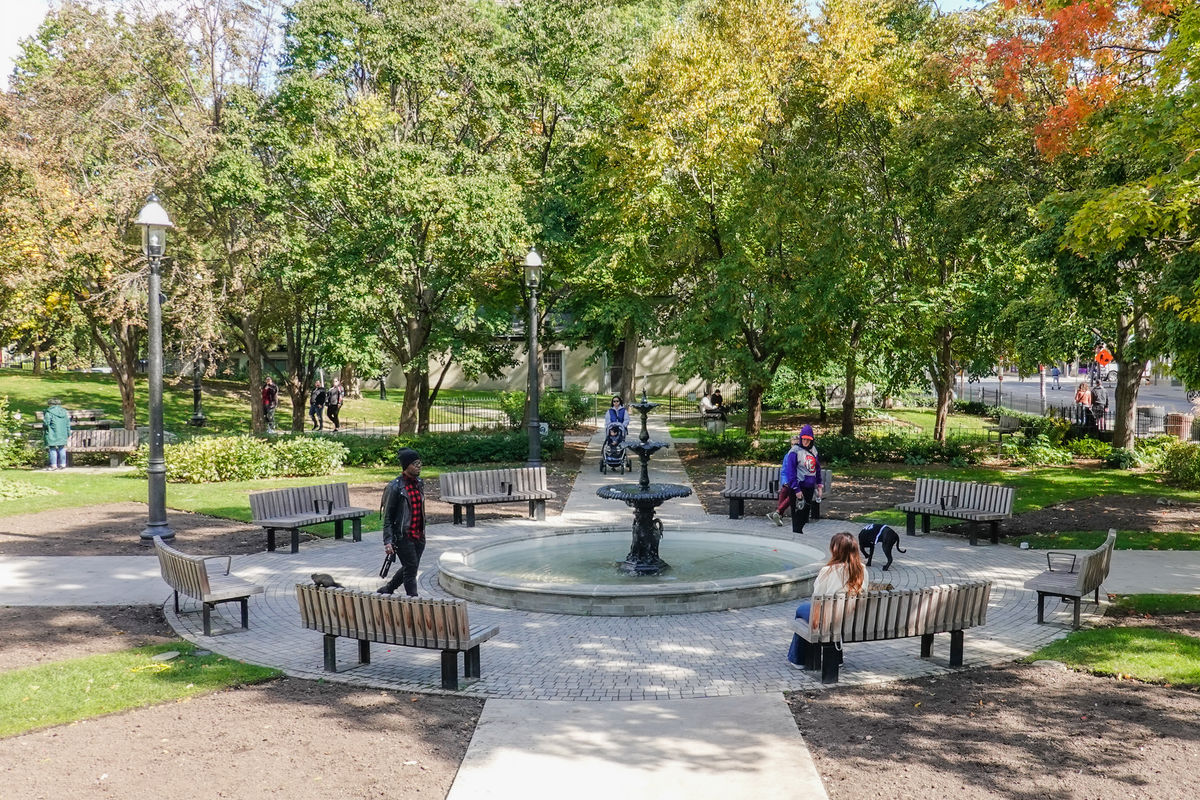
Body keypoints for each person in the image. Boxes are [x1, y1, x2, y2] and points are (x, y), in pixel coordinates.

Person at [787, 531, 866, 667]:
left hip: (828, 618)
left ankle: (798, 659)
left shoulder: (829, 570)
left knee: (802, 611)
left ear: (835, 550)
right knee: (828, 614)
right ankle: (837, 658)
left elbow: (816, 597)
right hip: (853, 619)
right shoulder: (862, 569)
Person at [377, 448, 426, 596]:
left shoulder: (419, 483)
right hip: (403, 536)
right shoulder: (395, 487)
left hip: (419, 535)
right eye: (415, 463)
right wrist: (388, 541)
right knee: (411, 570)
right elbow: (388, 517)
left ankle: (389, 588)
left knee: (410, 566)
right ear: (406, 466)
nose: (419, 466)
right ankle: (414, 602)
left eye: (419, 463)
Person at [778, 424, 822, 534]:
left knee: (805, 513)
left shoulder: (814, 451)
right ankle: (796, 533)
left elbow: (817, 468)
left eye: (808, 439)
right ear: (801, 438)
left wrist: (819, 485)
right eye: (804, 439)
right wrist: (796, 489)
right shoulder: (794, 451)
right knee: (797, 514)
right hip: (798, 487)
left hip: (810, 486)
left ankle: (799, 532)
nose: (806, 441)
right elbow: (790, 472)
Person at [768, 433, 804, 530]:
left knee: (791, 493)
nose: (794, 446)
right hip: (790, 483)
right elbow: (784, 472)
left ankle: (778, 513)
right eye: (792, 444)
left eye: (796, 444)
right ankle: (779, 514)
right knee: (784, 490)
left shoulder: (803, 456)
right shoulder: (787, 456)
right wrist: (785, 482)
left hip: (800, 484)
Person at [42, 398, 70, 471]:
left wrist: (44, 428)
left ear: (50, 404)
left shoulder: (49, 412)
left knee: (52, 448)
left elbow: (46, 423)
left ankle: (54, 466)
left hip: (52, 433)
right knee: (62, 447)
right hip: (63, 433)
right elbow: (67, 423)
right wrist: (68, 433)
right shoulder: (64, 412)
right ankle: (63, 464)